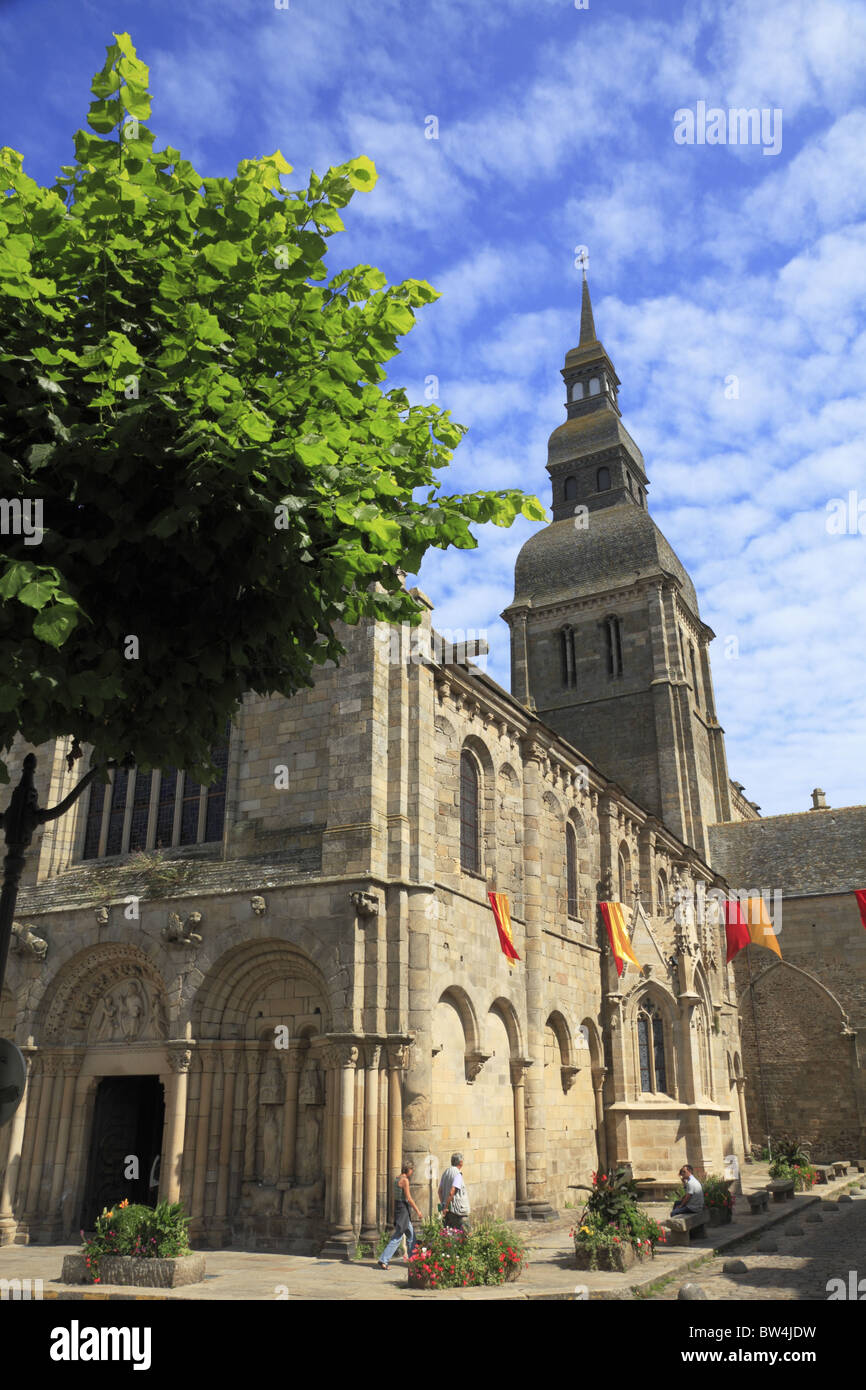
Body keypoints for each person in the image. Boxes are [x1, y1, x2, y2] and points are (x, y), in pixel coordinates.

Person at [378, 1160, 422, 1269]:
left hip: (399, 1208)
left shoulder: (396, 1179)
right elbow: (408, 1198)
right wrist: (418, 1211)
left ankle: (413, 1260)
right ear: (409, 1170)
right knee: (398, 1236)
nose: (412, 1172)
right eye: (412, 1170)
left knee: (411, 1235)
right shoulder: (405, 1180)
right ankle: (384, 1259)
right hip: (403, 1210)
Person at [438, 1152, 470, 1232]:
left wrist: (444, 1205)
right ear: (461, 1162)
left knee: (449, 1234)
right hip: (458, 1211)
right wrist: (446, 1207)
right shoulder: (457, 1174)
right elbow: (452, 1192)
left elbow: (439, 1191)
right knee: (466, 1233)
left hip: (448, 1210)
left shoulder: (445, 1172)